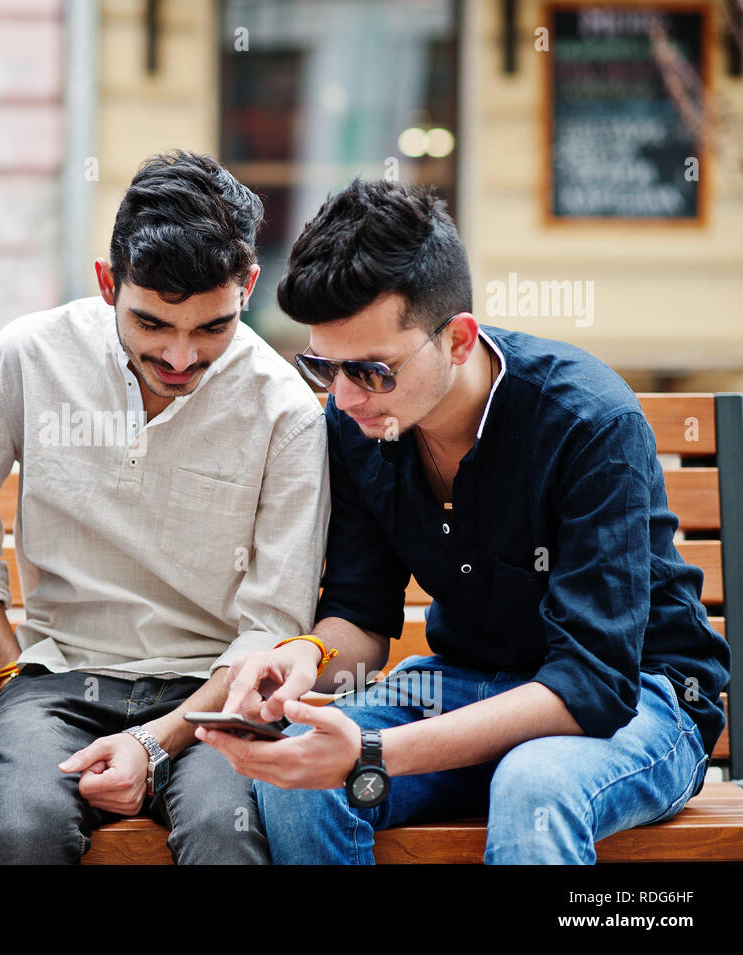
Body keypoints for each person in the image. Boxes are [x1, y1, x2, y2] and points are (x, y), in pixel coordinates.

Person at [199, 177, 729, 864]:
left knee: (534, 785)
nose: (346, 396)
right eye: (324, 367)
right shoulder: (356, 422)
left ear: (457, 339)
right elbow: (359, 615)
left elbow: (593, 683)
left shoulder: (587, 420)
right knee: (300, 775)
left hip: (641, 698)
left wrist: (371, 750)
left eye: (373, 370)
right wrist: (305, 657)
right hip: (464, 682)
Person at [0, 150, 329, 864]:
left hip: (216, 692)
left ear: (248, 286)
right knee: (22, 828)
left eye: (211, 328)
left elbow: (273, 624)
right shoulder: (27, 357)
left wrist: (151, 741)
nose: (182, 357)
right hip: (54, 679)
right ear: (108, 283)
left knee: (229, 838)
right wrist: (7, 671)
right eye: (153, 324)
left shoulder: (284, 408)